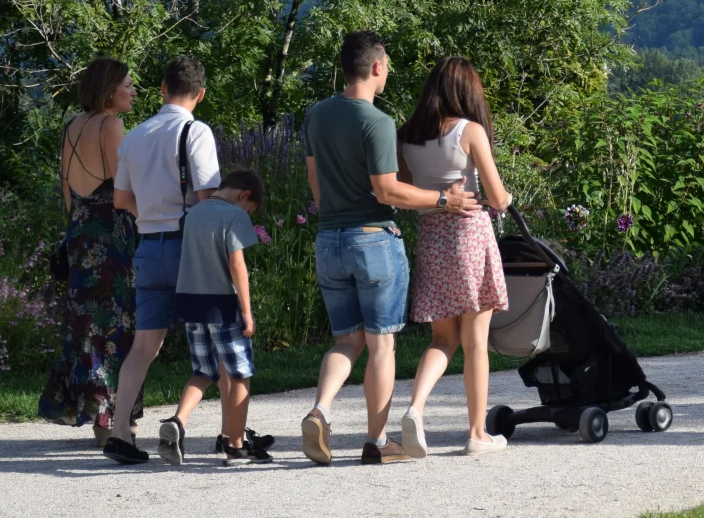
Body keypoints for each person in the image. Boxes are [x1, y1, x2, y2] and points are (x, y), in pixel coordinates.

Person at [300, 32, 480, 466]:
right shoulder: (376, 121)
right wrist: (443, 200)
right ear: (377, 67)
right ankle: (377, 442)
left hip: (329, 240)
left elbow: (315, 186)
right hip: (373, 240)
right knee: (381, 346)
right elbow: (387, 191)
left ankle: (320, 410)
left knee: (346, 341)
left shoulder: (316, 115)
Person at [101, 55, 223, 465]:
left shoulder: (135, 136)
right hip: (189, 247)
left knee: (143, 347)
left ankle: (120, 433)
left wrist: (151, 216)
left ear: (161, 89)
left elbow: (121, 200)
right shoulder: (196, 131)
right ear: (200, 94)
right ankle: (231, 434)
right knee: (216, 340)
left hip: (149, 246)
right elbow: (207, 199)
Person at [396, 57, 514, 457]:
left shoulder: (407, 136)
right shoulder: (470, 131)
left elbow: (407, 192)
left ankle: (414, 408)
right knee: (475, 342)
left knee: (442, 338)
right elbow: (496, 199)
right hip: (469, 236)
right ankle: (477, 433)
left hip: (432, 236)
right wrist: (507, 198)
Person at [39, 58, 139, 442]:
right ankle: (112, 419)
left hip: (80, 232)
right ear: (109, 89)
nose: (132, 91)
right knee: (116, 325)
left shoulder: (72, 127)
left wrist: (78, 231)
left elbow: (67, 190)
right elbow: (123, 191)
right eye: (127, 85)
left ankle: (94, 411)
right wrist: (148, 218)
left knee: (85, 325)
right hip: (110, 236)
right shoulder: (110, 125)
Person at [156, 170, 273, 467]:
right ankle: (235, 446)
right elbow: (237, 265)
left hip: (191, 304)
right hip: (222, 305)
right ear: (244, 196)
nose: (248, 213)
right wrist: (247, 312)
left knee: (204, 372)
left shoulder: (193, 214)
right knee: (240, 374)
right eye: (250, 209)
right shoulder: (234, 217)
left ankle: (177, 421)